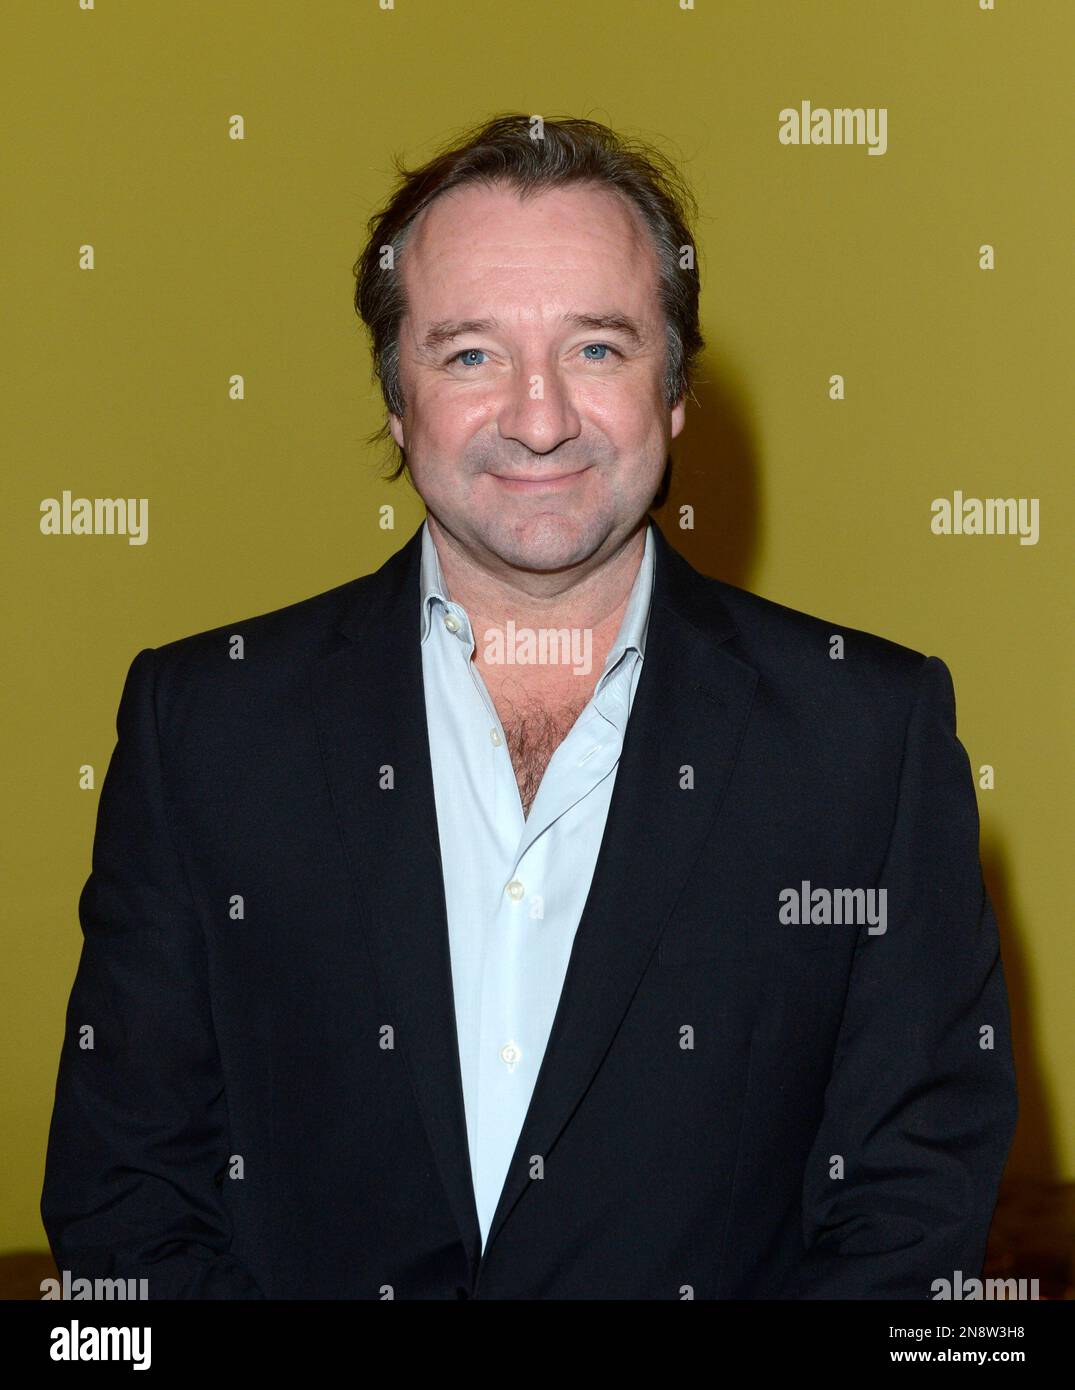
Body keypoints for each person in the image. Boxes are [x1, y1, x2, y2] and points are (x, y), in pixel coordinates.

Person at [41, 114, 1018, 1299]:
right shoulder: (202, 723)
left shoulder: (870, 737)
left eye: (598, 348)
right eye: (470, 355)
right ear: (396, 404)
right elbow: (130, 1189)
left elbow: (906, 1219)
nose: (540, 416)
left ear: (674, 390)